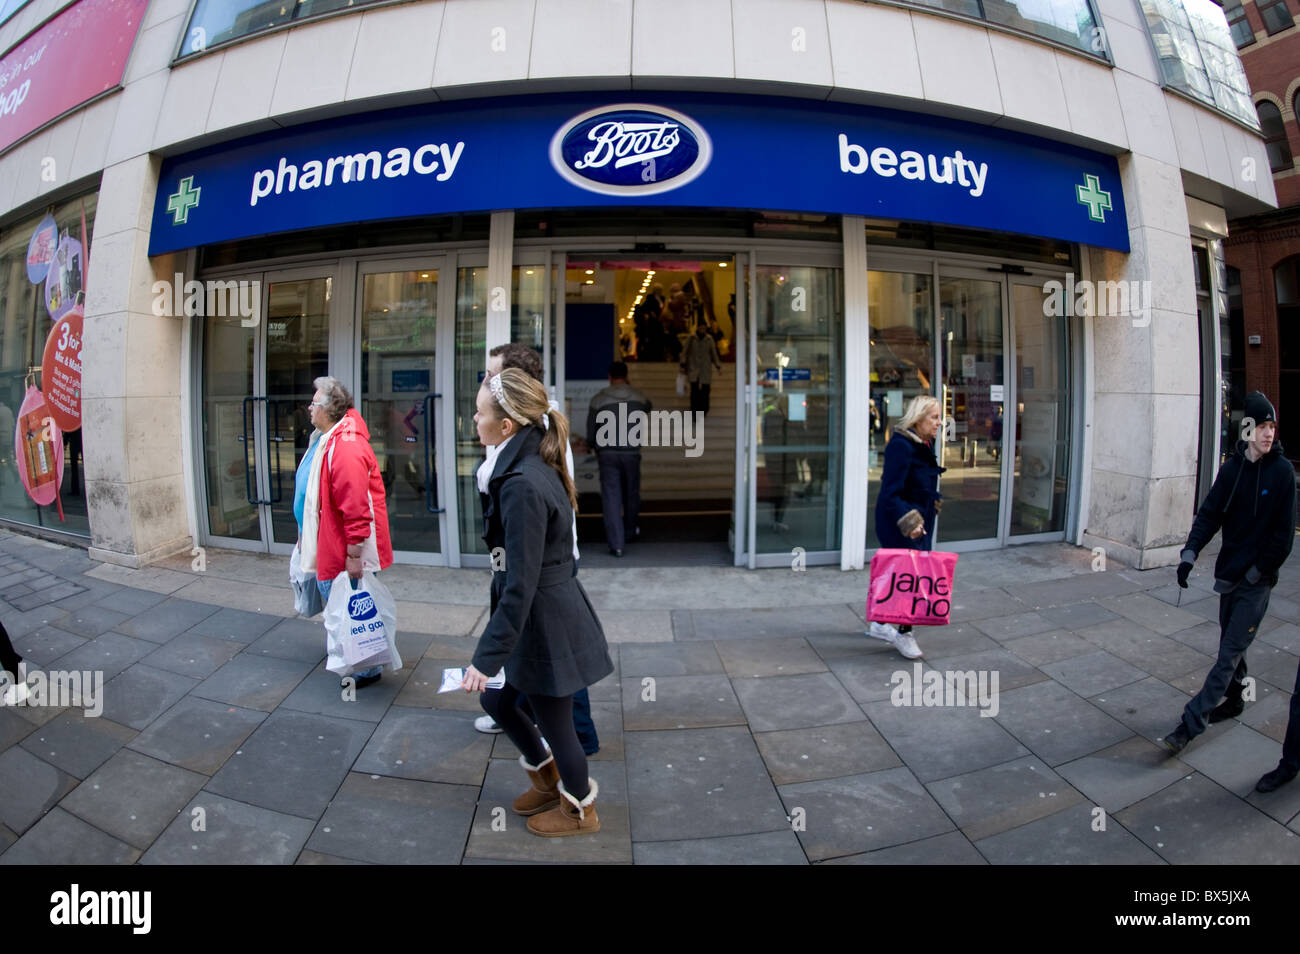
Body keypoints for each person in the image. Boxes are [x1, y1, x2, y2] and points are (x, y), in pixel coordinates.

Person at [464, 368, 614, 836]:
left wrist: (485, 659)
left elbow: (521, 583)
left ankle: (579, 810)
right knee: (498, 703)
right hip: (541, 615)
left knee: (557, 722)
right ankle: (547, 778)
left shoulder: (522, 483)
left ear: (506, 427)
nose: (474, 419)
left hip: (545, 621)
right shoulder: (526, 464)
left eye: (480, 413)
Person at [472, 343, 600, 757]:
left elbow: (529, 498)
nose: (485, 382)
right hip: (537, 560)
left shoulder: (532, 440)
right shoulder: (523, 430)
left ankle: (575, 737)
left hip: (548, 563)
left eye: (492, 375)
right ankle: (515, 710)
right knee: (540, 655)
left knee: (558, 663)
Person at [1164, 392, 1296, 755]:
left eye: (1273, 427)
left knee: (1228, 653)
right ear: (1248, 428)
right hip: (1229, 578)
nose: (1270, 434)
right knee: (1231, 645)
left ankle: (1189, 725)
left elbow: (1284, 538)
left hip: (1257, 583)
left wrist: (1258, 573)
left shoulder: (1283, 474)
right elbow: (1210, 515)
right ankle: (1236, 700)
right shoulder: (1232, 471)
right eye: (1263, 426)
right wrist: (1189, 553)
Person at [299, 376, 394, 690]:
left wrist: (353, 557)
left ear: (328, 409)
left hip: (341, 550)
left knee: (347, 605)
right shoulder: (333, 438)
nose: (309, 408)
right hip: (333, 543)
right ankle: (359, 657)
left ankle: (364, 667)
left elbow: (355, 508)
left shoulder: (346, 446)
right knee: (348, 605)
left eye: (314, 403)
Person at [868, 394, 945, 660]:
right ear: (919, 417)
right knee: (910, 579)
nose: (939, 422)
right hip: (901, 523)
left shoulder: (924, 442)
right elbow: (891, 492)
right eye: (934, 417)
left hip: (920, 520)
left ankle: (879, 623)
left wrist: (931, 502)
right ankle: (903, 633)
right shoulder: (901, 445)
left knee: (901, 576)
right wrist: (911, 521)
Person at [587, 361, 651, 557]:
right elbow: (649, 408)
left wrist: (593, 446)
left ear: (609, 376)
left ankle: (617, 544)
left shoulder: (598, 399)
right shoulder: (639, 397)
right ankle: (630, 531)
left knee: (611, 497)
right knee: (632, 493)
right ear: (627, 375)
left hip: (607, 454)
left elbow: (591, 431)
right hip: (631, 453)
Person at [681, 320, 722, 415]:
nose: (702, 329)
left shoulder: (709, 339)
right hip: (693, 367)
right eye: (700, 327)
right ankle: (694, 411)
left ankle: (704, 410)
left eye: (704, 328)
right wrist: (682, 365)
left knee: (705, 390)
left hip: (705, 368)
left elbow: (713, 353)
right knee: (694, 391)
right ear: (698, 328)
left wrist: (718, 366)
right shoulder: (691, 338)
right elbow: (684, 352)